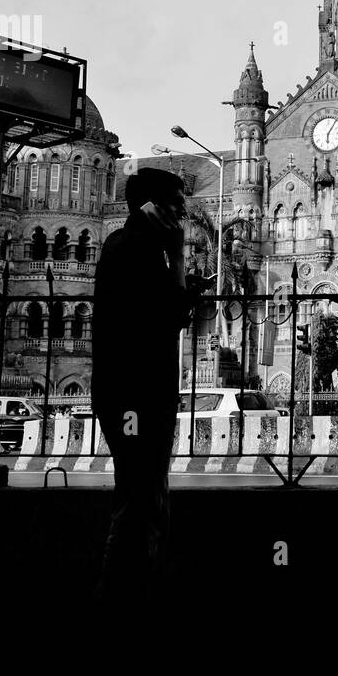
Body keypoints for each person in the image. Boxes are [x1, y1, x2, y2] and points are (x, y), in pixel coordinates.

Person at [91, 168, 206, 606]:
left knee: (148, 492)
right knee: (138, 496)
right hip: (133, 398)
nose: (183, 209)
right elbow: (170, 318)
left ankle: (139, 589)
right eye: (176, 201)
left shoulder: (131, 245)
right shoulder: (137, 248)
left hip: (136, 394)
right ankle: (115, 594)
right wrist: (178, 261)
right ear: (151, 207)